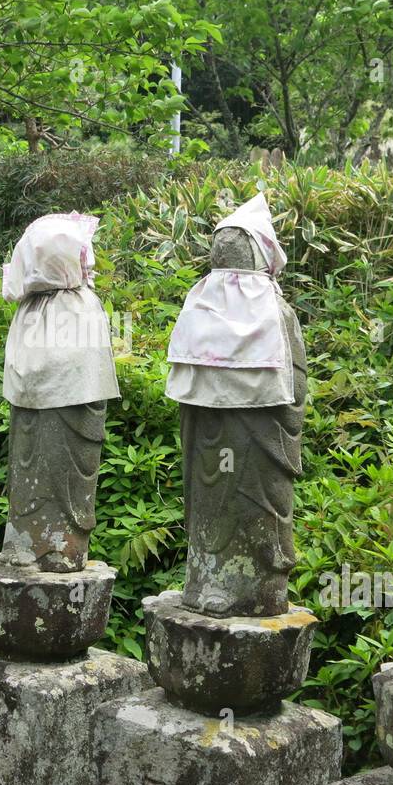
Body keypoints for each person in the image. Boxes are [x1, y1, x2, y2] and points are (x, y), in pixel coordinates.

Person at [166, 193, 306, 617]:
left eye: (234, 246)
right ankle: (206, 578)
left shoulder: (277, 313)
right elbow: (187, 386)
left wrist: (277, 416)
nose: (224, 252)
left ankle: (257, 589)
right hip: (211, 444)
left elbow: (296, 383)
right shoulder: (201, 304)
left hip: (258, 447)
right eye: (220, 245)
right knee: (211, 506)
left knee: (253, 509)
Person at [0, 212, 119, 570]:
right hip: (39, 420)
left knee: (50, 463)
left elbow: (84, 382)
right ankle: (29, 541)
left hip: (71, 420)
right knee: (28, 460)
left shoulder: (68, 306)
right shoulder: (67, 305)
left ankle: (58, 546)